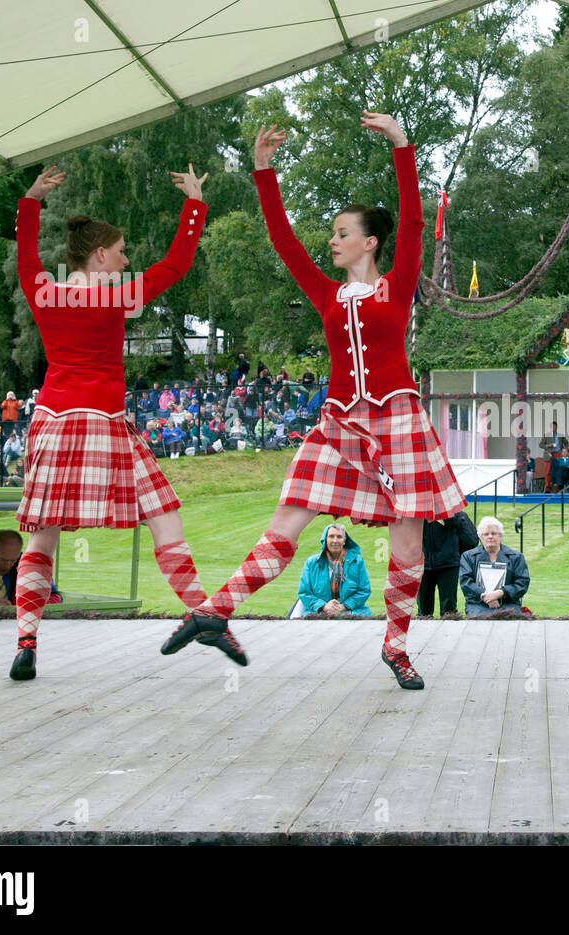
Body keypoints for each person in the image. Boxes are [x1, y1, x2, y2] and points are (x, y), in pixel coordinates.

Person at [162, 115, 465, 692]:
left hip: (397, 420)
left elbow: (417, 223)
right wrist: (262, 170)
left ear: (370, 242)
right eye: (331, 233)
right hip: (338, 422)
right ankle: (216, 612)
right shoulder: (327, 292)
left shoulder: (397, 283)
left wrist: (404, 146)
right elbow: (282, 240)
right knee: (288, 522)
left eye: (342, 232)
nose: (332, 240)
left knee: (408, 547)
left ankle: (396, 647)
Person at [11, 160, 235, 681]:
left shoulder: (46, 292)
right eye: (121, 251)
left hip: (53, 420)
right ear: (99, 255)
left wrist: (32, 199)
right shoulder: (117, 296)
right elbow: (176, 266)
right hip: (104, 418)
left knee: (42, 537)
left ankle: (26, 642)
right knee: (163, 515)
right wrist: (195, 206)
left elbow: (25, 257)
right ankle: (202, 612)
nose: (127, 258)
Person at [295, 523, 372, 617]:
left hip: (351, 611)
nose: (335, 540)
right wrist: (324, 606)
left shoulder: (357, 561)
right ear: (325, 539)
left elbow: (364, 590)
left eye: (339, 537)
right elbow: (304, 592)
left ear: (344, 541)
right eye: (331, 536)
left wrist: (344, 606)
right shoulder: (311, 563)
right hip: (319, 612)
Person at [459, 516, 529, 617]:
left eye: (494, 533)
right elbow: (466, 583)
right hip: (478, 604)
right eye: (486, 534)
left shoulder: (516, 557)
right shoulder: (468, 557)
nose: (490, 536)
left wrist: (500, 593)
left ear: (500, 536)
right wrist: (486, 597)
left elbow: (522, 583)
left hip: (508, 603)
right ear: (481, 537)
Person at [419, 511, 479, 616]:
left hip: (448, 565)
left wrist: (455, 554)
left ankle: (449, 631)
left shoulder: (454, 512)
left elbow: (471, 541)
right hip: (423, 564)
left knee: (449, 612)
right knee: (423, 613)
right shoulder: (417, 512)